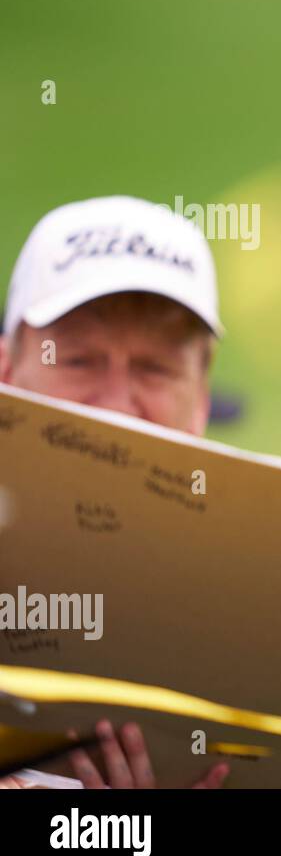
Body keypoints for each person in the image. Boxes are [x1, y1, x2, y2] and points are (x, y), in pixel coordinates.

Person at [0, 195, 229, 789]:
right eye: (80, 361)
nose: (118, 408)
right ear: (5, 375)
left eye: (154, 369)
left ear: (201, 403)